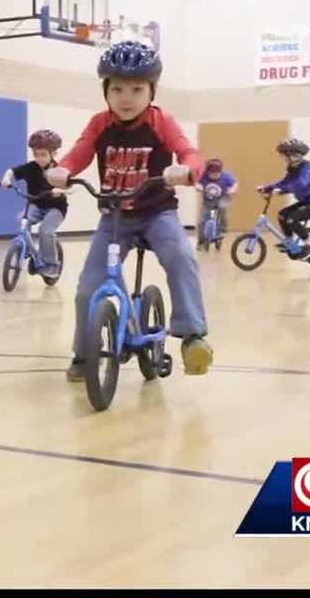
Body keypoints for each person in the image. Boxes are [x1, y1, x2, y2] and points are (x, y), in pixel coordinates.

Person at [45, 40, 214, 378]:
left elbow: (189, 152)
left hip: (157, 214)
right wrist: (63, 169)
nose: (126, 97)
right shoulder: (99, 123)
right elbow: (79, 153)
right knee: (87, 289)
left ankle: (192, 335)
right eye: (118, 89)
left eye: (137, 89)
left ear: (152, 91)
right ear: (105, 91)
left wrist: (187, 169)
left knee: (181, 256)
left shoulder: (161, 121)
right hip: (115, 218)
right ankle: (83, 355)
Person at [0, 129, 68, 279]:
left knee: (46, 230)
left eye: (43, 155)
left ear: (53, 154)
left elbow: (71, 185)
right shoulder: (31, 167)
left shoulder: (59, 169)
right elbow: (12, 171)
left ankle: (51, 265)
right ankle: (29, 250)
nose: (39, 158)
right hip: (36, 205)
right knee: (21, 221)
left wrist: (61, 190)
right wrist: (6, 179)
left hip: (56, 208)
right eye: (36, 154)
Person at [259, 138, 310, 259]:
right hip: (305, 202)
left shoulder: (307, 167)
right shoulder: (293, 169)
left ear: (294, 155)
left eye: (284, 156)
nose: (283, 158)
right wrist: (267, 188)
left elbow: (301, 183)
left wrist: (284, 190)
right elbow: (283, 182)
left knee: (292, 220)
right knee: (282, 215)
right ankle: (289, 242)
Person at [195, 157, 237, 249]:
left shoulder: (226, 176)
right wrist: (199, 187)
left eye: (217, 173)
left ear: (221, 171)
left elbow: (234, 184)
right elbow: (197, 182)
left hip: (223, 198)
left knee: (223, 207)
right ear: (207, 172)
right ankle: (201, 242)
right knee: (202, 220)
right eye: (212, 174)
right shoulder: (203, 175)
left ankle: (222, 229)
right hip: (208, 202)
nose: (214, 176)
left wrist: (232, 190)